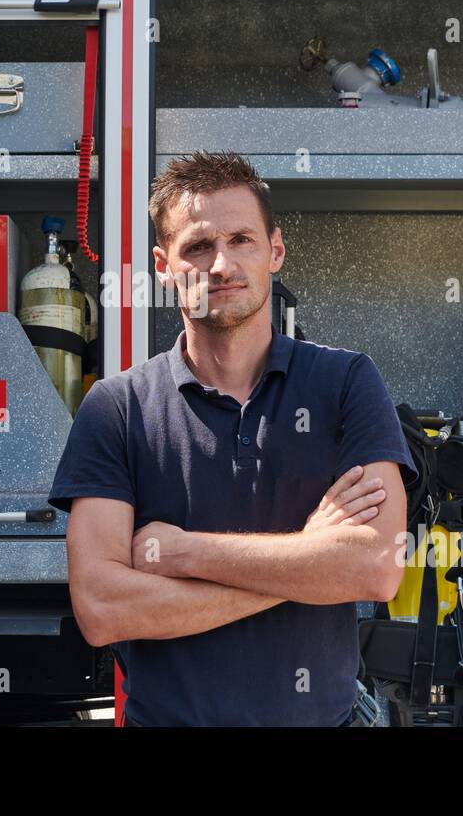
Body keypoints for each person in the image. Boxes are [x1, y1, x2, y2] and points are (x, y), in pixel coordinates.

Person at [47, 150, 418, 726]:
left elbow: (373, 569)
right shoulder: (116, 408)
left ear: (275, 250)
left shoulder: (345, 382)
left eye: (241, 239)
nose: (221, 265)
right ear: (163, 265)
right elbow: (101, 608)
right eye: (197, 246)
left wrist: (178, 551)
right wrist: (309, 560)